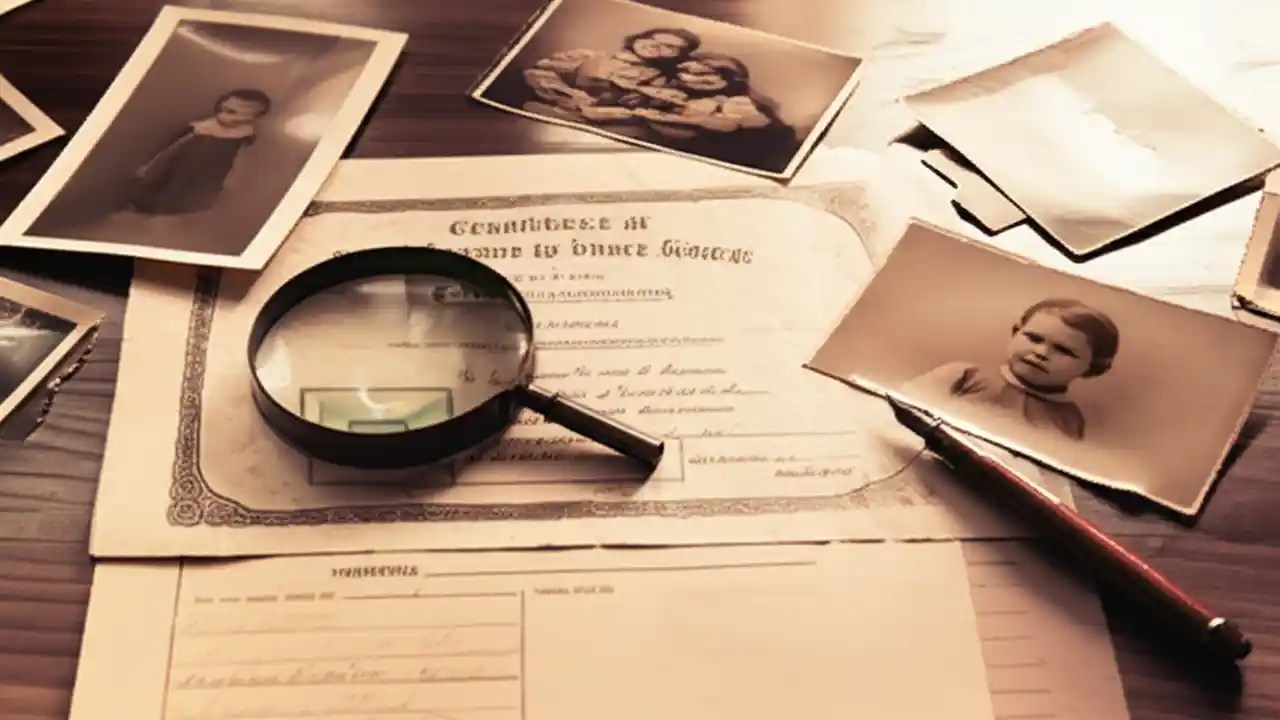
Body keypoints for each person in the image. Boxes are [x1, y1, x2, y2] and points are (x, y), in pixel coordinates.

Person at [900, 298, 1120, 441]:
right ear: (1016, 332)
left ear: (1094, 368)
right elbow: (901, 408)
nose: (1041, 352)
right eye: (1033, 338)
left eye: (1064, 350)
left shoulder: (1069, 419)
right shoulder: (963, 375)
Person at [128, 88, 272, 216]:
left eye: (239, 113)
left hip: (209, 181)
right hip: (180, 170)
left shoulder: (244, 136)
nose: (227, 116)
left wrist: (233, 180)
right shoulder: (199, 130)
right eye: (226, 110)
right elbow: (170, 151)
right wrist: (150, 169)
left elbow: (241, 160)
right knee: (169, 193)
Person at [521, 27, 701, 124]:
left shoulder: (662, 82)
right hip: (543, 112)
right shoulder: (588, 56)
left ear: (678, 55)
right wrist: (572, 98)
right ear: (639, 38)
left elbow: (647, 113)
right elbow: (536, 73)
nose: (654, 46)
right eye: (652, 39)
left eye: (669, 47)